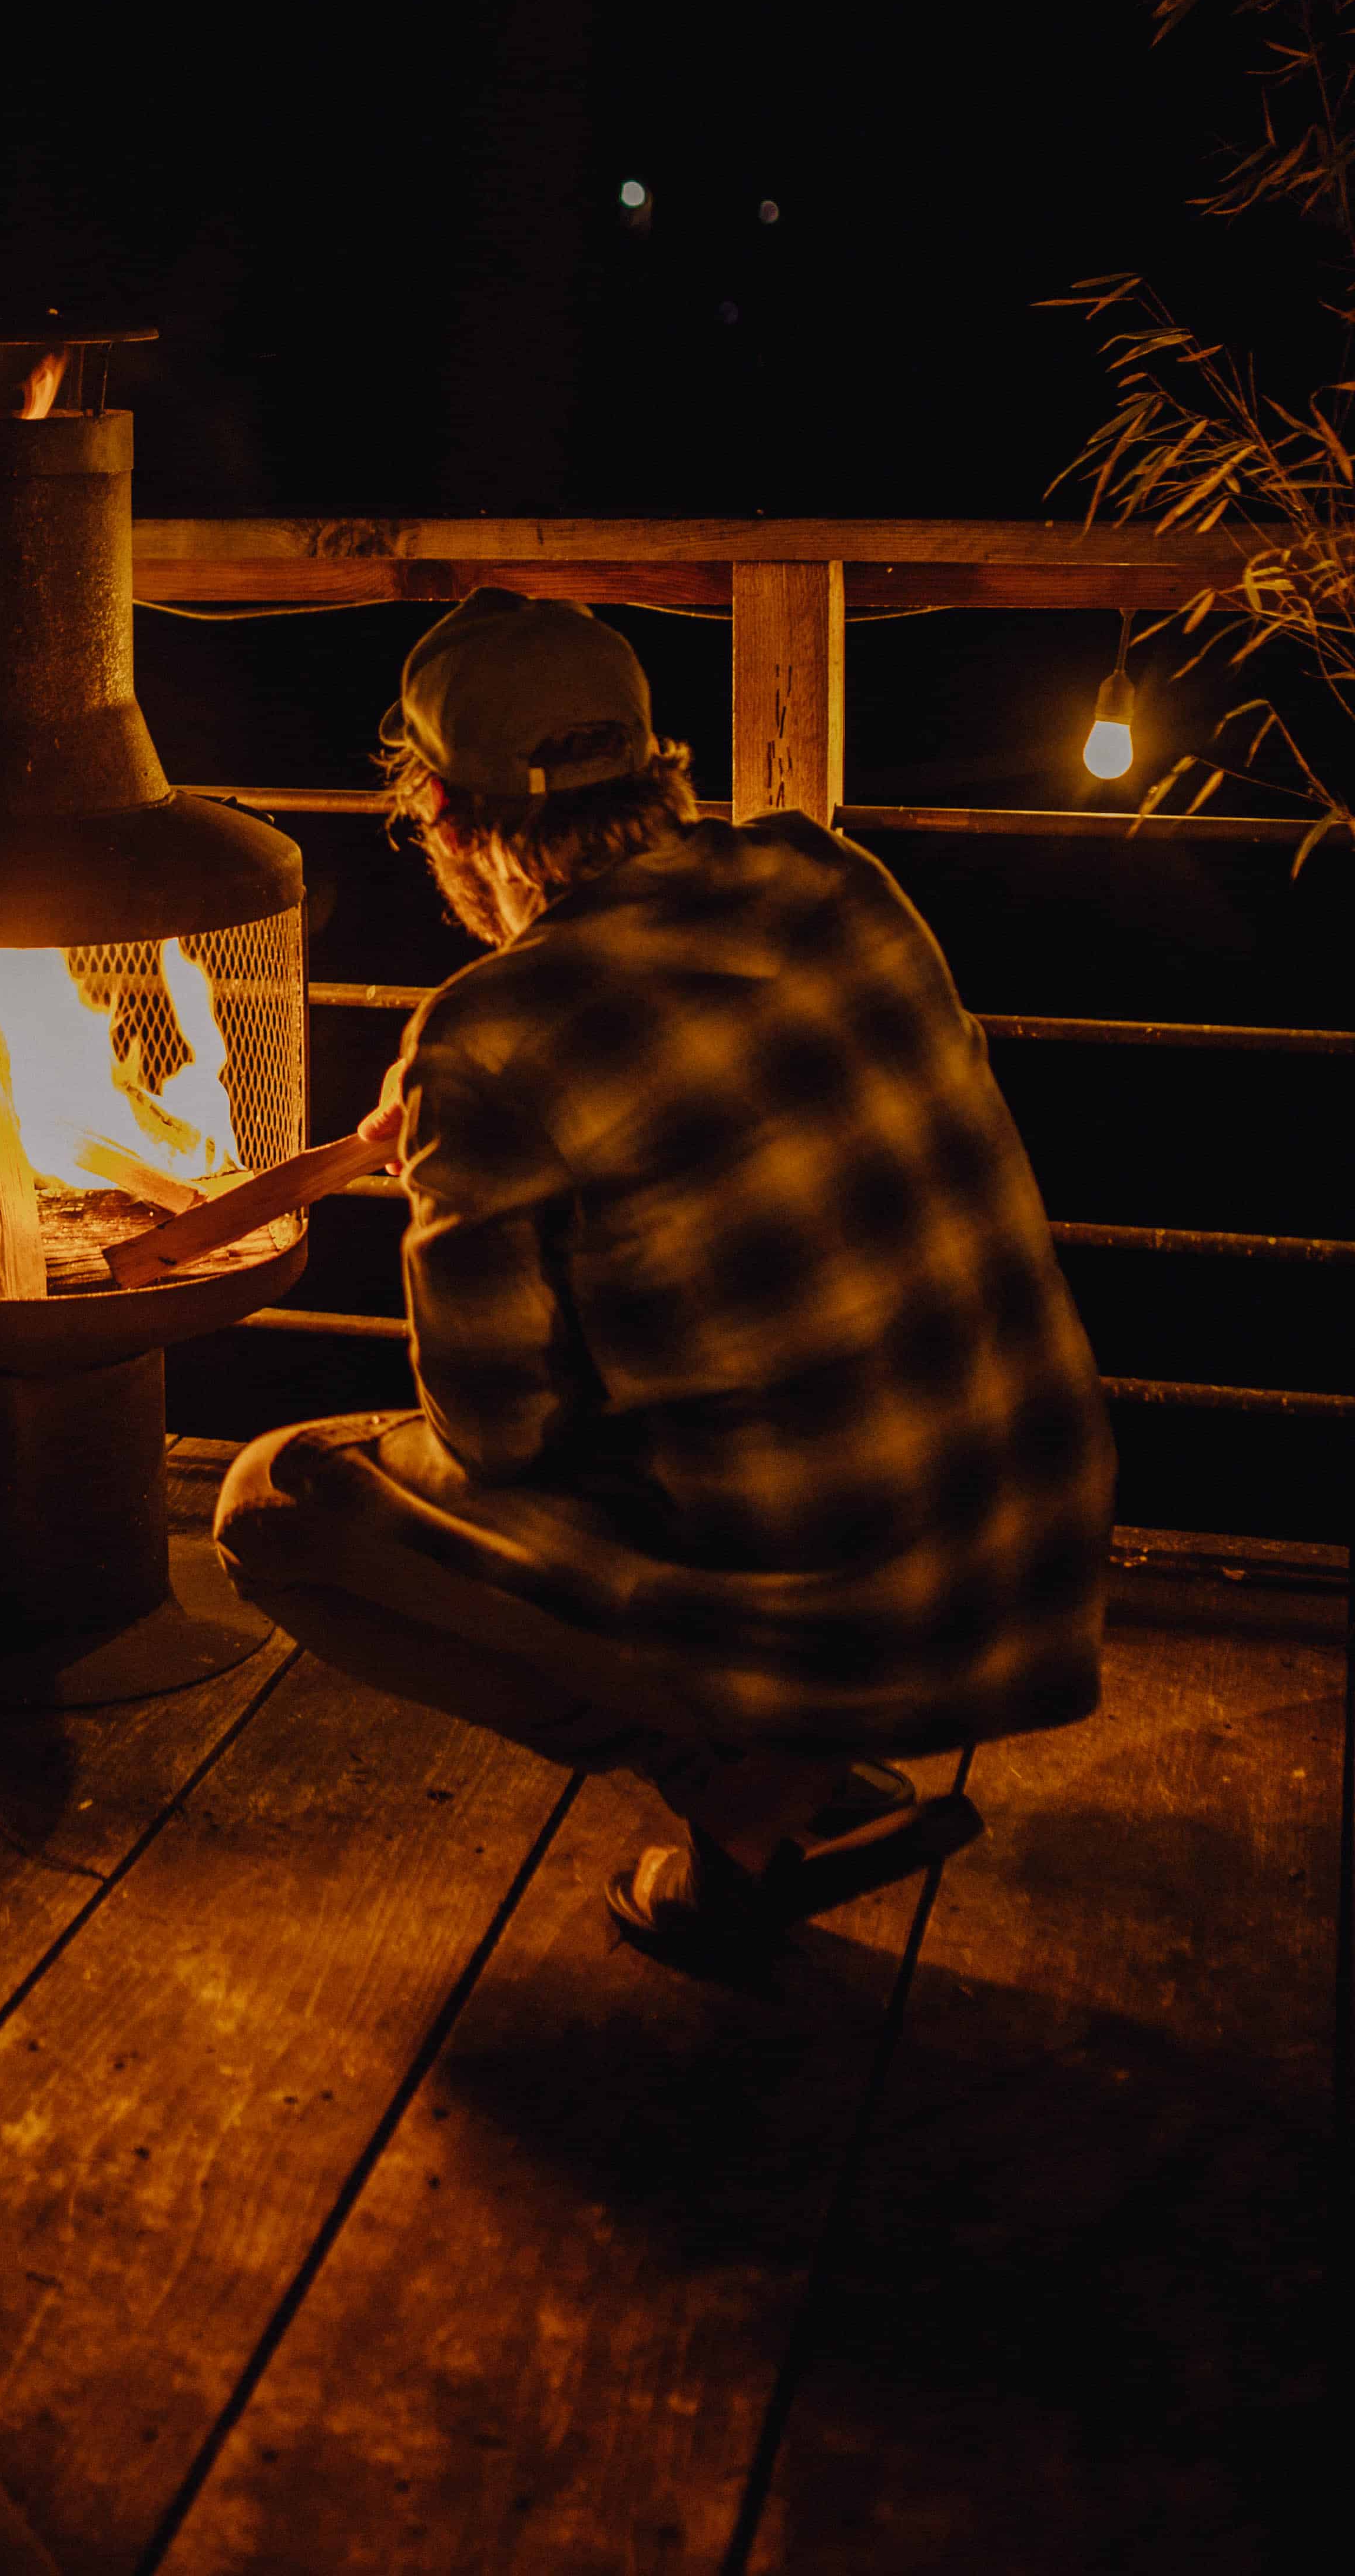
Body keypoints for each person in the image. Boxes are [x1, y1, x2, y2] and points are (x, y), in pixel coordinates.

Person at [213, 590, 1116, 1958]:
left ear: (448, 820)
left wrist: (464, 1159)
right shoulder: (830, 878)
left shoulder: (490, 1033)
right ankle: (797, 1767)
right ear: (656, 765)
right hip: (1027, 1549)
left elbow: (498, 1434)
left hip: (842, 1605)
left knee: (273, 1505)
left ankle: (740, 1781)